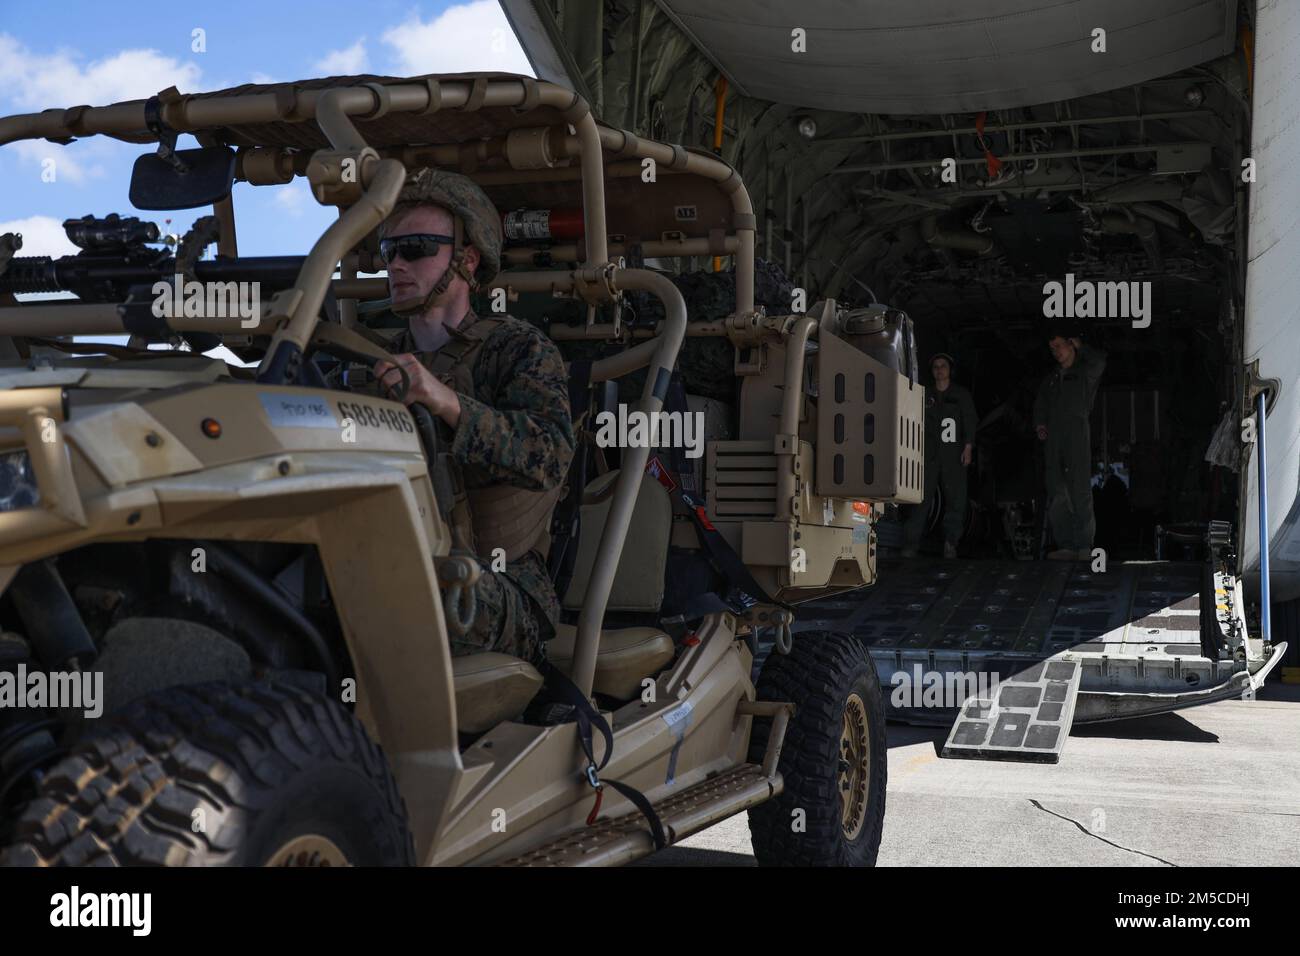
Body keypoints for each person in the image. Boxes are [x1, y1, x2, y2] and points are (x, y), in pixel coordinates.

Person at [366, 169, 574, 663]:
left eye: (416, 248)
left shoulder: (517, 348)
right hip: (382, 553)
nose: (396, 264)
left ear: (467, 259)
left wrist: (446, 402)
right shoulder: (370, 358)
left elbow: (547, 456)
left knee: (409, 600)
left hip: (497, 580)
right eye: (388, 251)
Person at [1033, 331, 1106, 560]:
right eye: (1052, 348)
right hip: (1054, 437)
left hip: (1076, 433)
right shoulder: (1052, 378)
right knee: (1056, 489)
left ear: (1071, 345)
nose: (1056, 351)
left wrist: (1082, 346)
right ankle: (1067, 545)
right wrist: (1040, 424)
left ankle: (1084, 546)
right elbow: (1040, 403)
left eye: (1059, 346)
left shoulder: (1085, 372)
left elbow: (1100, 361)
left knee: (1079, 489)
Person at [902, 353, 978, 559]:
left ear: (950, 370)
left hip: (953, 454)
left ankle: (950, 543)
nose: (939, 370)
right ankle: (911, 543)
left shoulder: (960, 395)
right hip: (928, 454)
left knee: (956, 500)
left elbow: (970, 421)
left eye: (943, 366)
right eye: (935, 366)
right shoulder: (925, 395)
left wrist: (968, 447)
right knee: (921, 499)